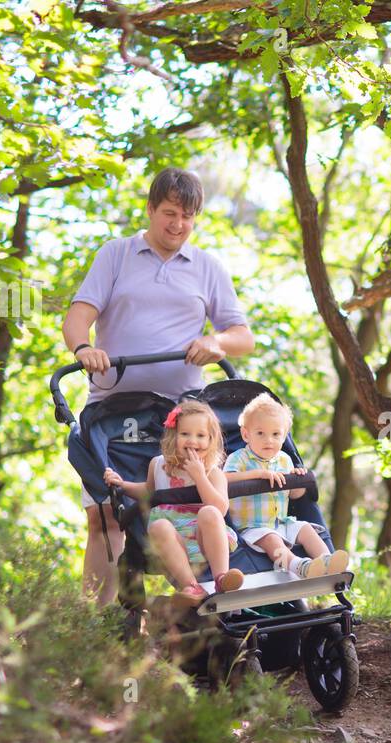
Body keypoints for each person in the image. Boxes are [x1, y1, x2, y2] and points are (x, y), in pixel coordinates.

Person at [63, 168, 254, 605]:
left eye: (188, 216)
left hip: (181, 418)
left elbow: (242, 336)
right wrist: (82, 348)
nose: (178, 225)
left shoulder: (207, 267)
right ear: (150, 210)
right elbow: (78, 317)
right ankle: (95, 623)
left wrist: (215, 341)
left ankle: (200, 601)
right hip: (114, 414)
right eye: (169, 213)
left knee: (190, 504)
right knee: (107, 516)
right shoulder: (116, 254)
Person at [104, 400, 242, 605]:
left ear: (211, 439)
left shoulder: (213, 472)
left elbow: (220, 508)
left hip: (206, 539)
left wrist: (199, 477)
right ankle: (191, 586)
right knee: (158, 525)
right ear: (173, 436)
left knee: (210, 513)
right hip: (173, 543)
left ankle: (221, 578)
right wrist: (122, 485)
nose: (192, 441)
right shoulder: (158, 465)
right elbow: (149, 491)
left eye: (201, 435)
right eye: (185, 434)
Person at [224, 393, 349, 579]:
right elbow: (224, 479)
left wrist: (296, 480)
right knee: (272, 540)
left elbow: (294, 496)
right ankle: (300, 566)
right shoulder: (239, 458)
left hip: (280, 522)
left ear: (284, 437)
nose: (269, 440)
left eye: (276, 434)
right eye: (261, 433)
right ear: (245, 434)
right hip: (251, 528)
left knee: (305, 528)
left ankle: (327, 562)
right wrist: (258, 475)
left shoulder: (284, 459)